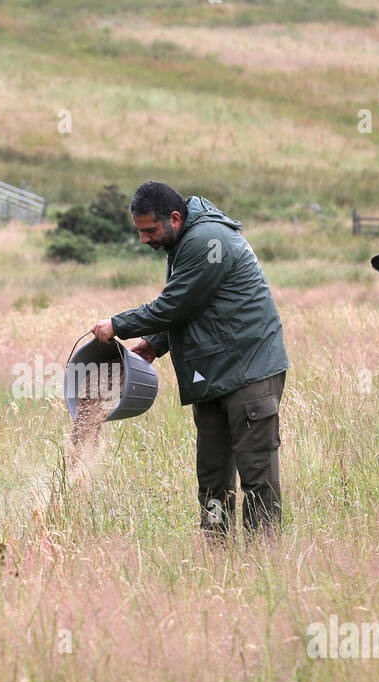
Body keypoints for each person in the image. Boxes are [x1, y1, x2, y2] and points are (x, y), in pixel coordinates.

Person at [91, 181, 289, 538]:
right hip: (212, 375)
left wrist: (117, 325)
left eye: (150, 230)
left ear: (176, 218)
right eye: (139, 231)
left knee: (257, 477)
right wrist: (153, 344)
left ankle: (264, 558)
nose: (144, 240)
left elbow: (175, 304)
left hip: (249, 371)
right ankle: (215, 551)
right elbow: (193, 307)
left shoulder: (208, 240)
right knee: (212, 479)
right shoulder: (184, 242)